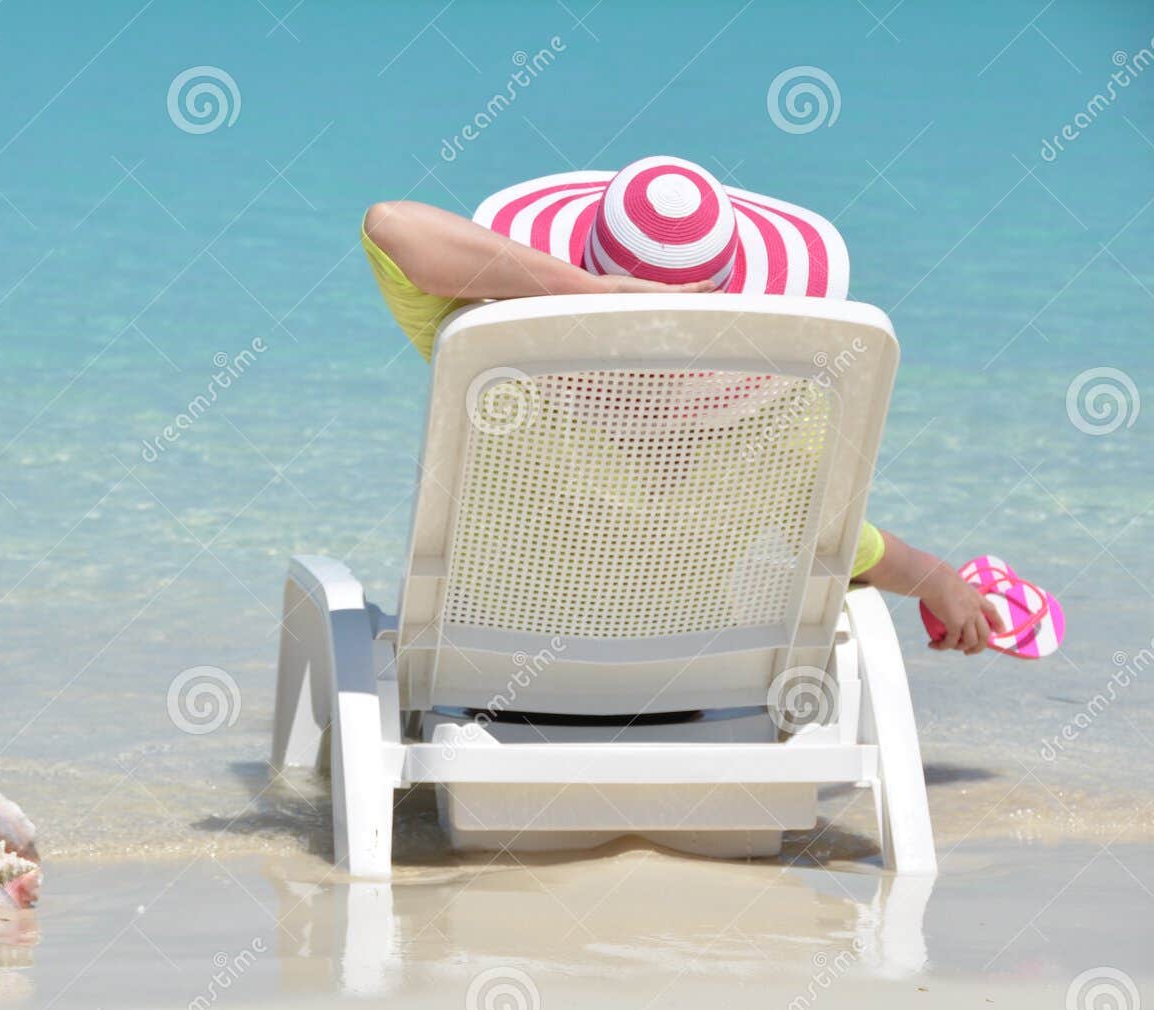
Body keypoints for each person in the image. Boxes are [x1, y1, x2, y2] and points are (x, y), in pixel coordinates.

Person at [361, 157, 1004, 655]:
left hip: (485, 682)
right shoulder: (771, 436)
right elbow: (845, 543)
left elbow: (392, 227)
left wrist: (585, 291)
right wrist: (938, 581)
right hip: (694, 701)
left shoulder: (502, 372)